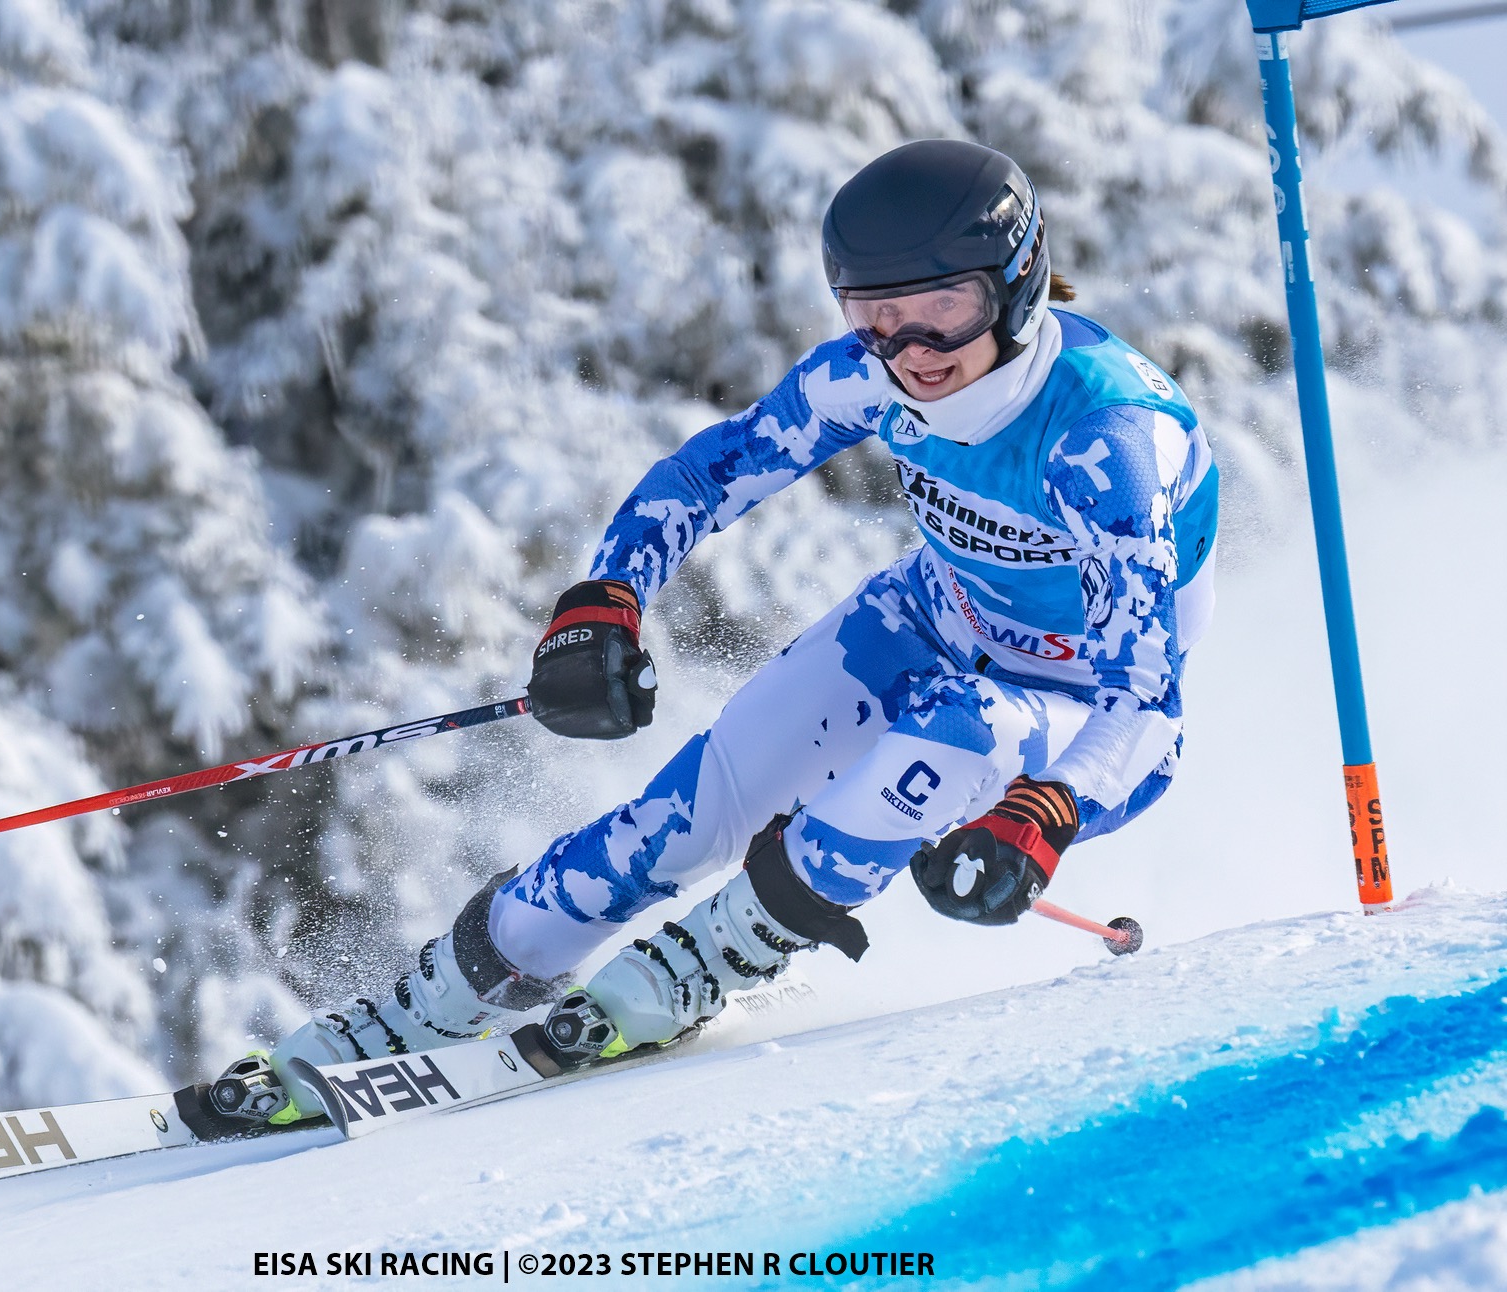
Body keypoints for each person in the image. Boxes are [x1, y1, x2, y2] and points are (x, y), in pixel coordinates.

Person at [196, 138, 1218, 1130]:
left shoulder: (1103, 442)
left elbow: (1145, 700)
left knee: (957, 727)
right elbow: (709, 473)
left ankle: (709, 960)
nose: (911, 354)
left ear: (1019, 281)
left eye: (944, 313)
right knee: (683, 814)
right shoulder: (873, 379)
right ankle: (424, 1007)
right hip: (927, 620)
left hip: (1085, 713)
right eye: (876, 318)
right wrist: (605, 597)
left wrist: (1041, 813)